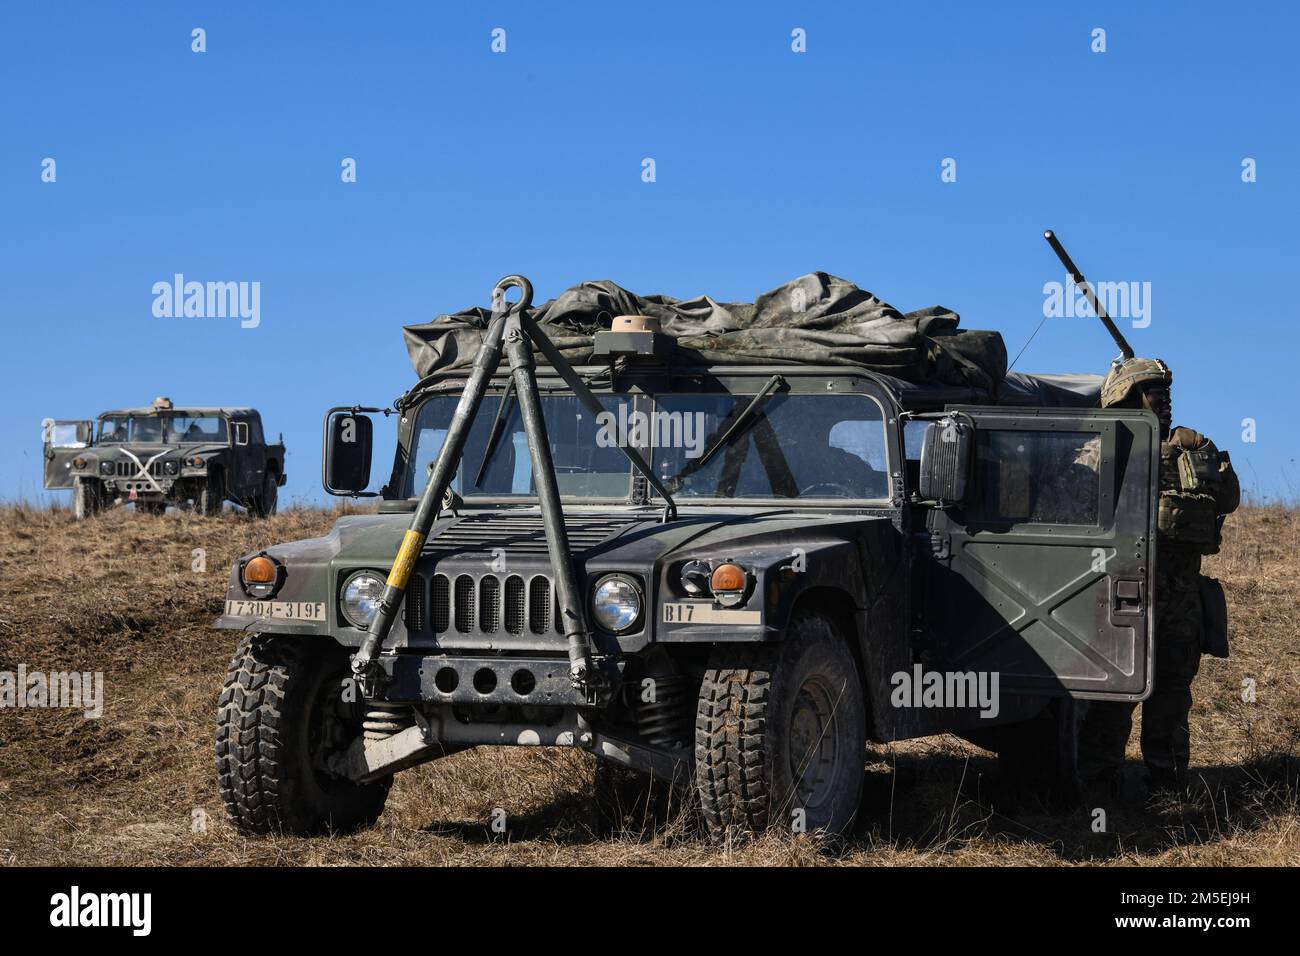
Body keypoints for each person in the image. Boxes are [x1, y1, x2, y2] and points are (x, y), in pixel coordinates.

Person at [1078, 357, 1239, 795]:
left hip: (1180, 599)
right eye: (1153, 392)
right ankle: (1099, 789)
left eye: (1166, 392)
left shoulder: (1191, 449)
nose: (1164, 400)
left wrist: (1194, 459)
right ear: (1128, 396)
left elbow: (1229, 497)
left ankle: (1166, 789)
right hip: (1119, 597)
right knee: (1112, 698)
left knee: (1170, 697)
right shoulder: (1100, 448)